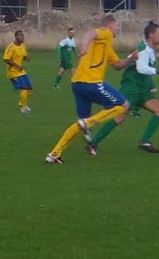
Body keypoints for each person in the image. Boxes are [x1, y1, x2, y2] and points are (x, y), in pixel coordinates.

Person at [45, 14, 128, 164]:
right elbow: (91, 33)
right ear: (109, 25)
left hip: (77, 85)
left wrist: (131, 58)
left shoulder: (105, 46)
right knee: (123, 105)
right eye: (117, 26)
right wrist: (84, 46)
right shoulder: (106, 33)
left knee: (80, 123)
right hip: (91, 82)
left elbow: (117, 65)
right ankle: (90, 123)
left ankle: (54, 154)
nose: (118, 30)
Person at [116, 21, 159, 153]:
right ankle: (93, 141)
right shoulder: (144, 48)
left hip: (142, 90)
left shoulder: (148, 48)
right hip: (132, 89)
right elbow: (141, 69)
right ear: (151, 35)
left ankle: (145, 141)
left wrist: (151, 87)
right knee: (119, 118)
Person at [3, 29, 34, 113]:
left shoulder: (22, 46)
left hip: (21, 70)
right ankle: (23, 108)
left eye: (23, 35)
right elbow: (6, 59)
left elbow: (24, 55)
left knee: (30, 88)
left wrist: (26, 58)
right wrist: (17, 65)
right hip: (13, 72)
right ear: (16, 37)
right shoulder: (11, 47)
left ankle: (22, 103)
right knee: (24, 88)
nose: (22, 37)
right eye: (20, 35)